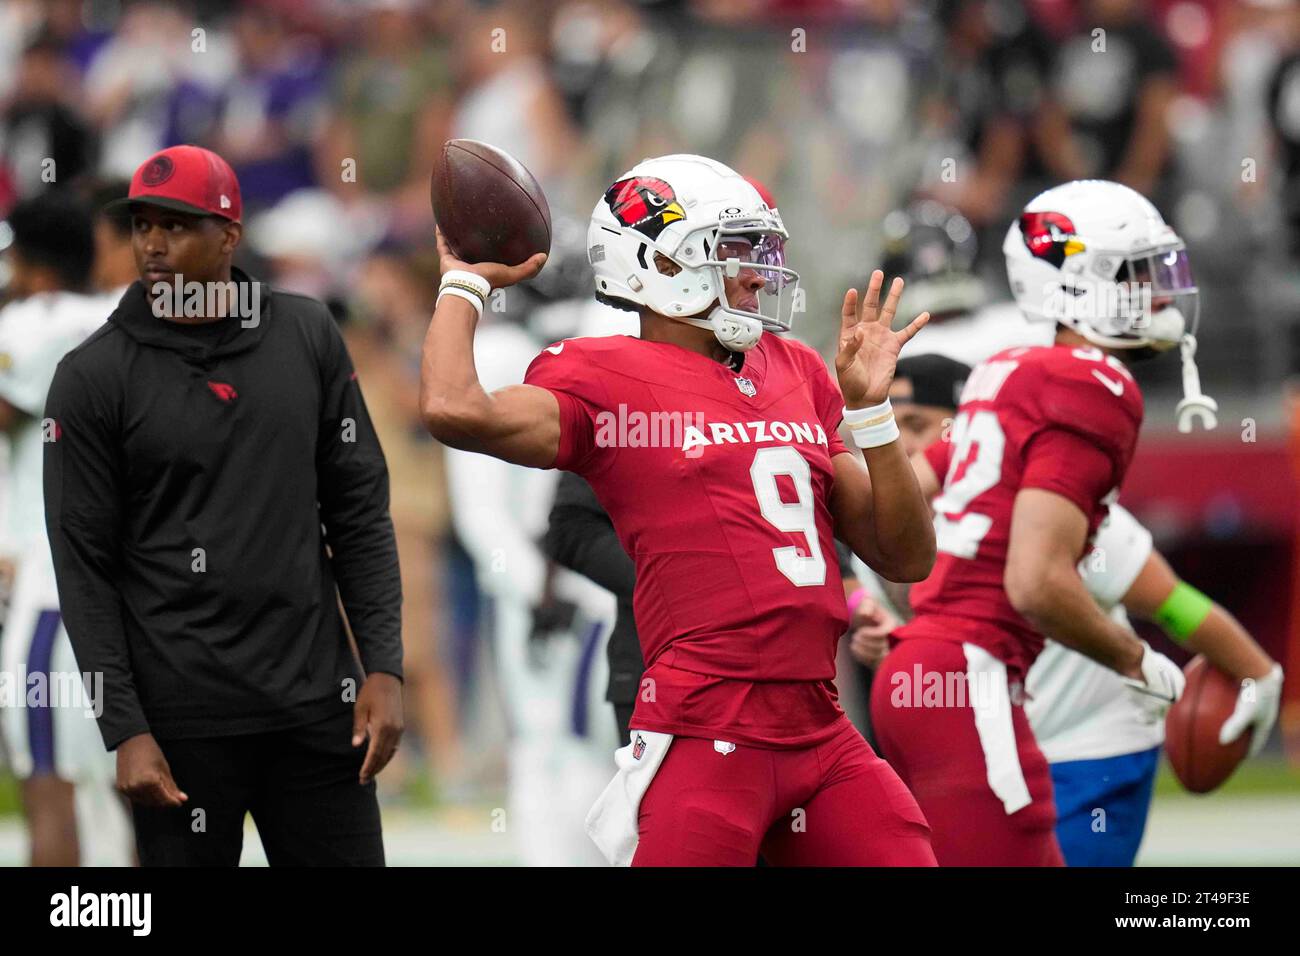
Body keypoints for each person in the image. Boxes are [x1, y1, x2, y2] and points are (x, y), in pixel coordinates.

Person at [422, 153, 937, 866]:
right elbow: (454, 408)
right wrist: (464, 284)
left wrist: (873, 416)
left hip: (820, 724)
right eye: (733, 251)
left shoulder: (796, 369)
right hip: (706, 727)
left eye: (760, 250)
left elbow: (905, 554)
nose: (758, 272)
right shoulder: (602, 375)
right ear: (657, 265)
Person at [43, 145, 404, 866]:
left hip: (315, 711)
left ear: (229, 236)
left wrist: (385, 669)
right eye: (142, 224)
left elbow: (359, 511)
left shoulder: (307, 336)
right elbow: (84, 568)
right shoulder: (91, 377)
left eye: (176, 225)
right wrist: (125, 730)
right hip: (181, 730)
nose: (152, 243)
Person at [870, 179, 1195, 866]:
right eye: (1136, 273)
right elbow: (1036, 584)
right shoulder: (1092, 384)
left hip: (914, 673)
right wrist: (1135, 658)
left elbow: (901, 502)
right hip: (969, 680)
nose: (1158, 289)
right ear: (1080, 282)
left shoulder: (1007, 371)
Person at [861, 354, 1283, 866]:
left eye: (920, 425)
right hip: (984, 740)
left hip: (1087, 748)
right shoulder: (887, 534)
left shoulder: (1053, 507)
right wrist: (877, 624)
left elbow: (1174, 603)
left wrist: (1256, 672)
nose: (904, 444)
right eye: (893, 425)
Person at [0, 192, 128, 866]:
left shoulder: (31, 322)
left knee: (49, 792)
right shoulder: (126, 315)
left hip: (52, 596)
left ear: (33, 266)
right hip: (132, 590)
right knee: (134, 801)